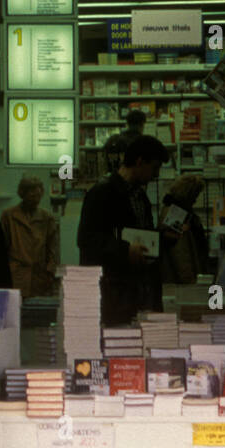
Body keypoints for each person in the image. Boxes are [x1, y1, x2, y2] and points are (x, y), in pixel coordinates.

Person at [77, 134, 171, 326]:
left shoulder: (140, 196)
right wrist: (125, 250)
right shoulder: (102, 193)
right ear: (139, 162)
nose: (156, 175)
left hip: (138, 291)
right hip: (114, 294)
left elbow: (141, 236)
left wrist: (164, 238)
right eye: (154, 167)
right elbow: (86, 239)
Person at [0, 176, 61, 299]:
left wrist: (50, 272)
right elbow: (2, 248)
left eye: (38, 195)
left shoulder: (46, 218)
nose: (35, 198)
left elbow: (53, 249)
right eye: (31, 194)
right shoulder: (9, 216)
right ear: (23, 193)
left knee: (38, 313)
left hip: (40, 278)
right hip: (17, 276)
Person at [158, 175, 210, 285]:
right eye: (195, 195)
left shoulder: (176, 210)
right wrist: (190, 281)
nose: (195, 200)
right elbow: (180, 252)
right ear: (188, 194)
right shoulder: (175, 214)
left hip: (177, 279)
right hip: (180, 282)